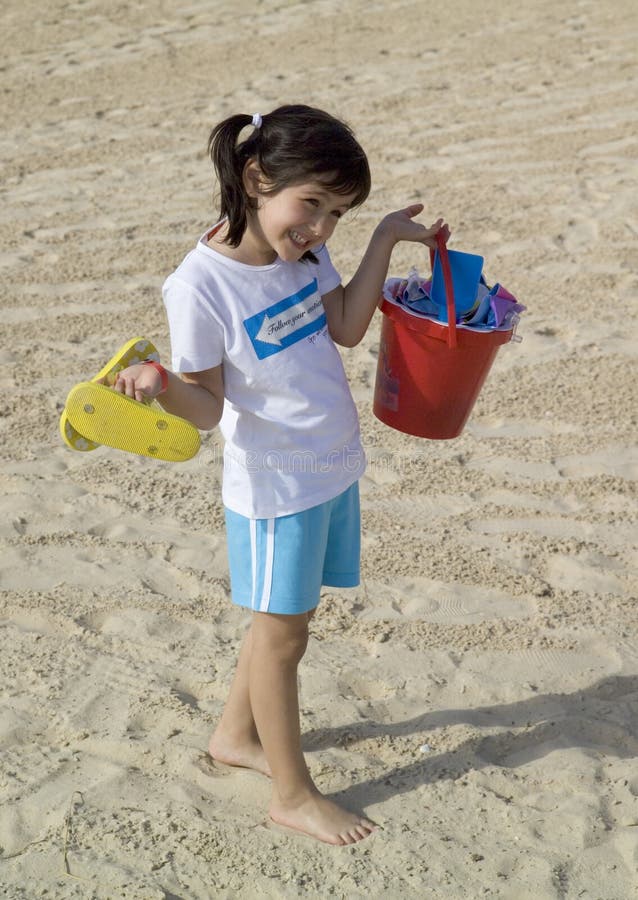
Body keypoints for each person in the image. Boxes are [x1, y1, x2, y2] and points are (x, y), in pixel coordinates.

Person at [112, 105, 449, 845]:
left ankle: (235, 738)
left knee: (279, 625)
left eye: (337, 214)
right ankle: (292, 794)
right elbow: (205, 409)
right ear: (257, 178)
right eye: (313, 205)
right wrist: (160, 380)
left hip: (327, 467)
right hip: (274, 488)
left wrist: (385, 238)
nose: (322, 228)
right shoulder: (199, 286)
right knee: (282, 639)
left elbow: (348, 328)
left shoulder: (302, 253)